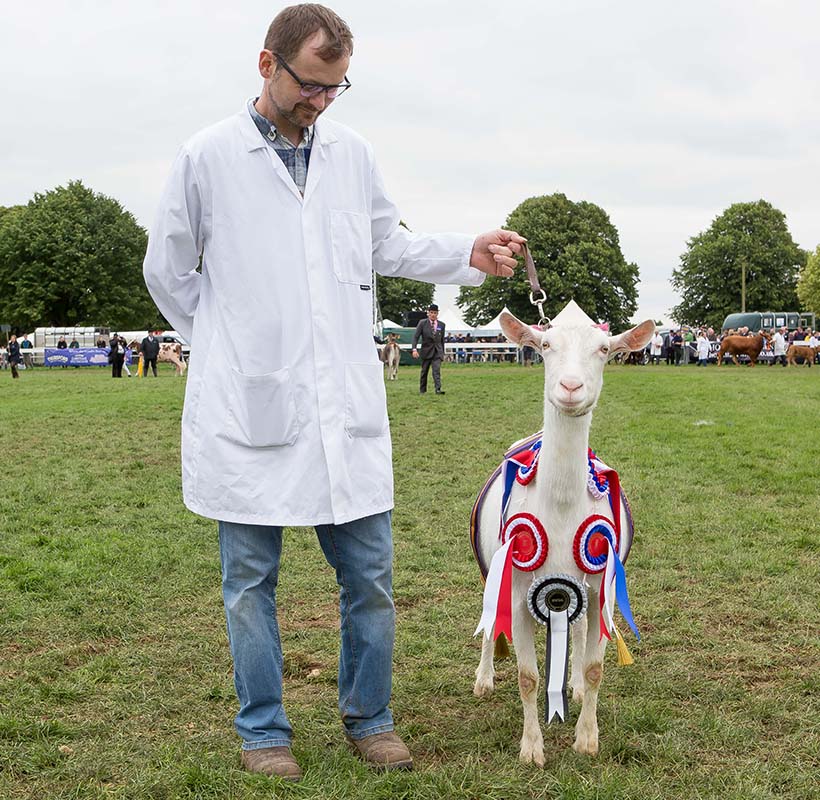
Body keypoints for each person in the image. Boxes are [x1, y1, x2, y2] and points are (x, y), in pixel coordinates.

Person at [142, 4, 525, 782]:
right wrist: (226, 341)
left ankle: (370, 718)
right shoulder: (207, 157)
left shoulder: (353, 154)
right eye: (310, 84)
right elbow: (167, 269)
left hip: (344, 411)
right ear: (267, 64)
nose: (321, 101)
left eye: (336, 87)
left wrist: (469, 252)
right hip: (252, 409)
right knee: (250, 585)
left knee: (371, 581)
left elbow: (387, 243)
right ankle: (263, 730)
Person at [411, 304, 446, 394]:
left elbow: (442, 340)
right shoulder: (422, 323)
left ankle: (438, 389)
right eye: (431, 313)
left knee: (436, 371)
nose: (433, 314)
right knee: (424, 371)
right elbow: (416, 337)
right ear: (428, 313)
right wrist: (414, 349)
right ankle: (423, 390)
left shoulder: (442, 325)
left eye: (435, 313)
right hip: (426, 351)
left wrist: (442, 353)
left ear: (437, 313)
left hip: (437, 352)